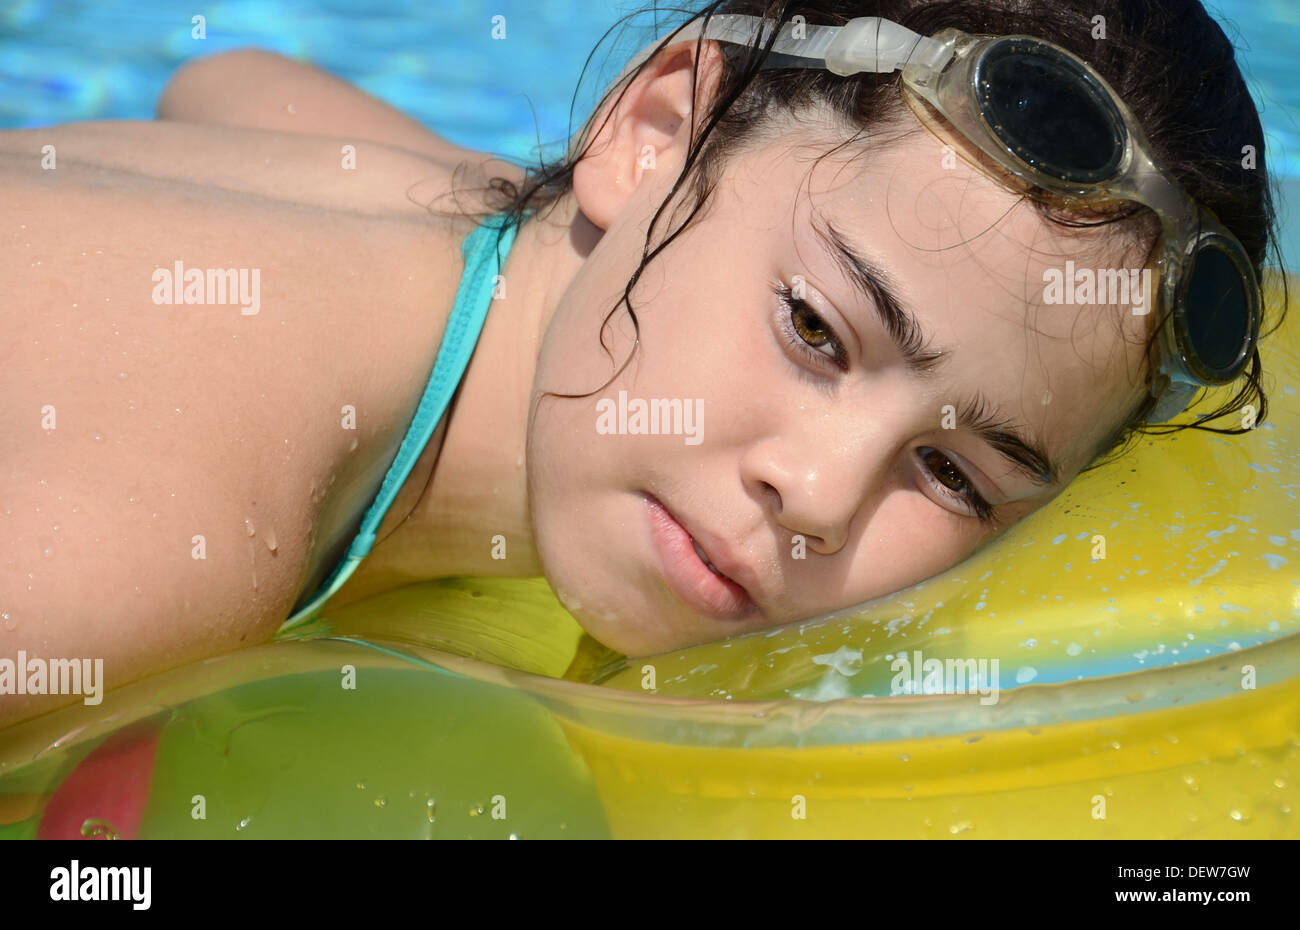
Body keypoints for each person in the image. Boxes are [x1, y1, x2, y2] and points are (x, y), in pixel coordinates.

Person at [0, 0, 1284, 727]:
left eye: (952, 473)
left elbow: (233, 79)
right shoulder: (155, 553)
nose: (821, 496)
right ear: (655, 125)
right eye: (816, 331)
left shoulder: (483, 218)